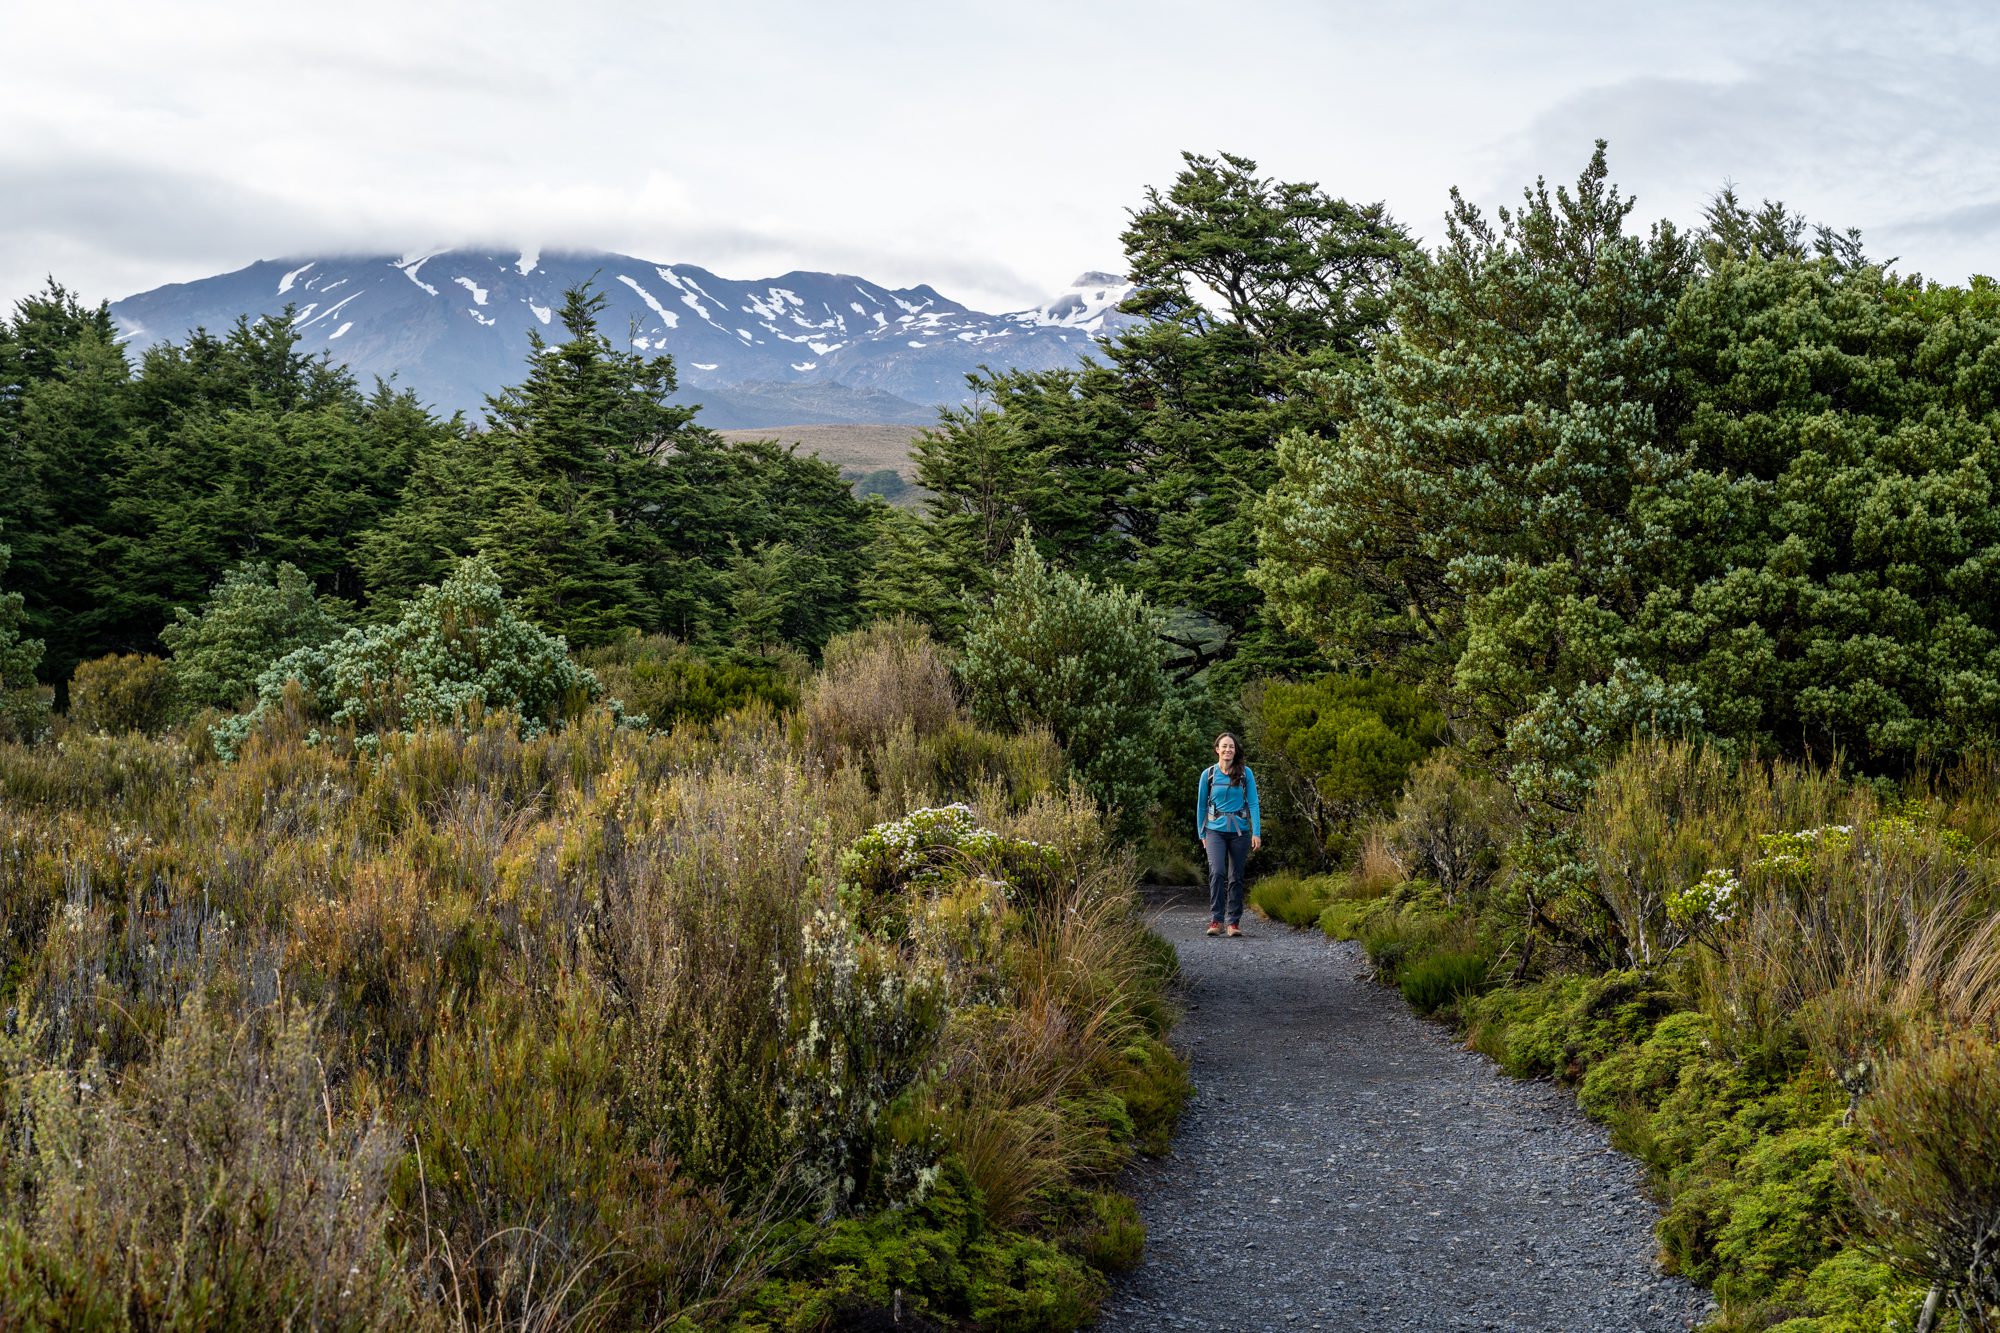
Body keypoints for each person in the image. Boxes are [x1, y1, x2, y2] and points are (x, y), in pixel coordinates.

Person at [1196, 732, 1261, 937]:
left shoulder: (1245, 773)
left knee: (1236, 876)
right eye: (1224, 746)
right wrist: (1201, 833)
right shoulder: (1208, 775)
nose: (1227, 750)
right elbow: (1201, 806)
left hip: (1239, 832)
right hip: (1214, 831)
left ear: (1235, 750)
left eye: (1231, 747)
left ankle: (1233, 923)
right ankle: (1216, 921)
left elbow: (1253, 803)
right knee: (1217, 872)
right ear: (1217, 749)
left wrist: (1256, 832)